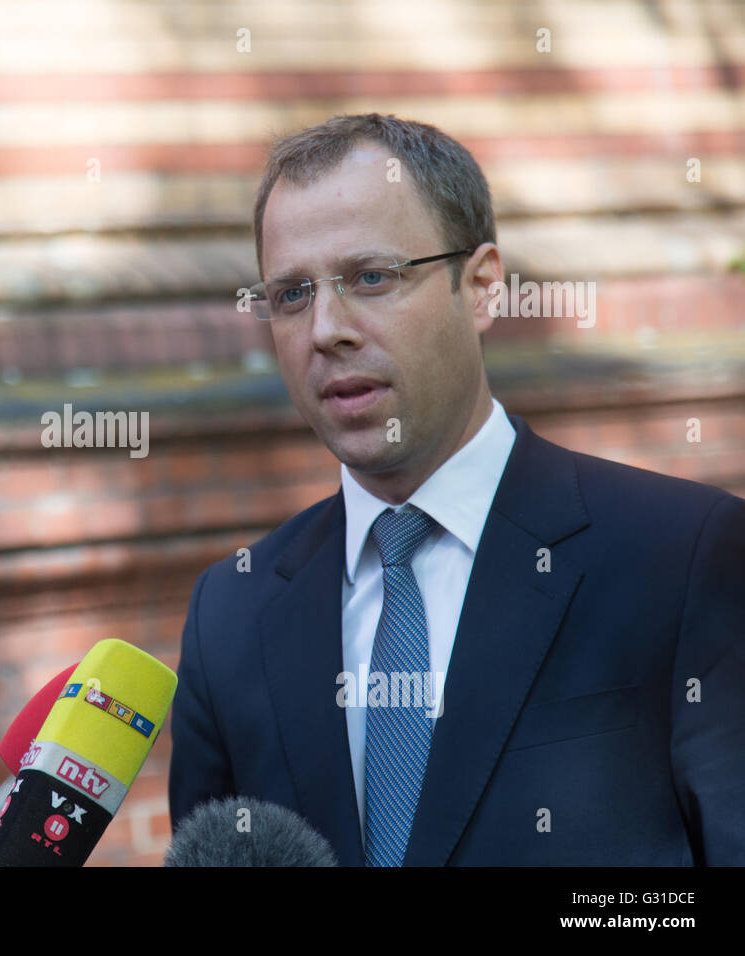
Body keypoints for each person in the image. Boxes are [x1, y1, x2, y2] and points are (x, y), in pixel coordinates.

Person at [168, 114, 745, 865]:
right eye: (291, 294)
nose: (325, 329)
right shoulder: (231, 616)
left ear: (480, 288)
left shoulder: (686, 557)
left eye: (371, 277)